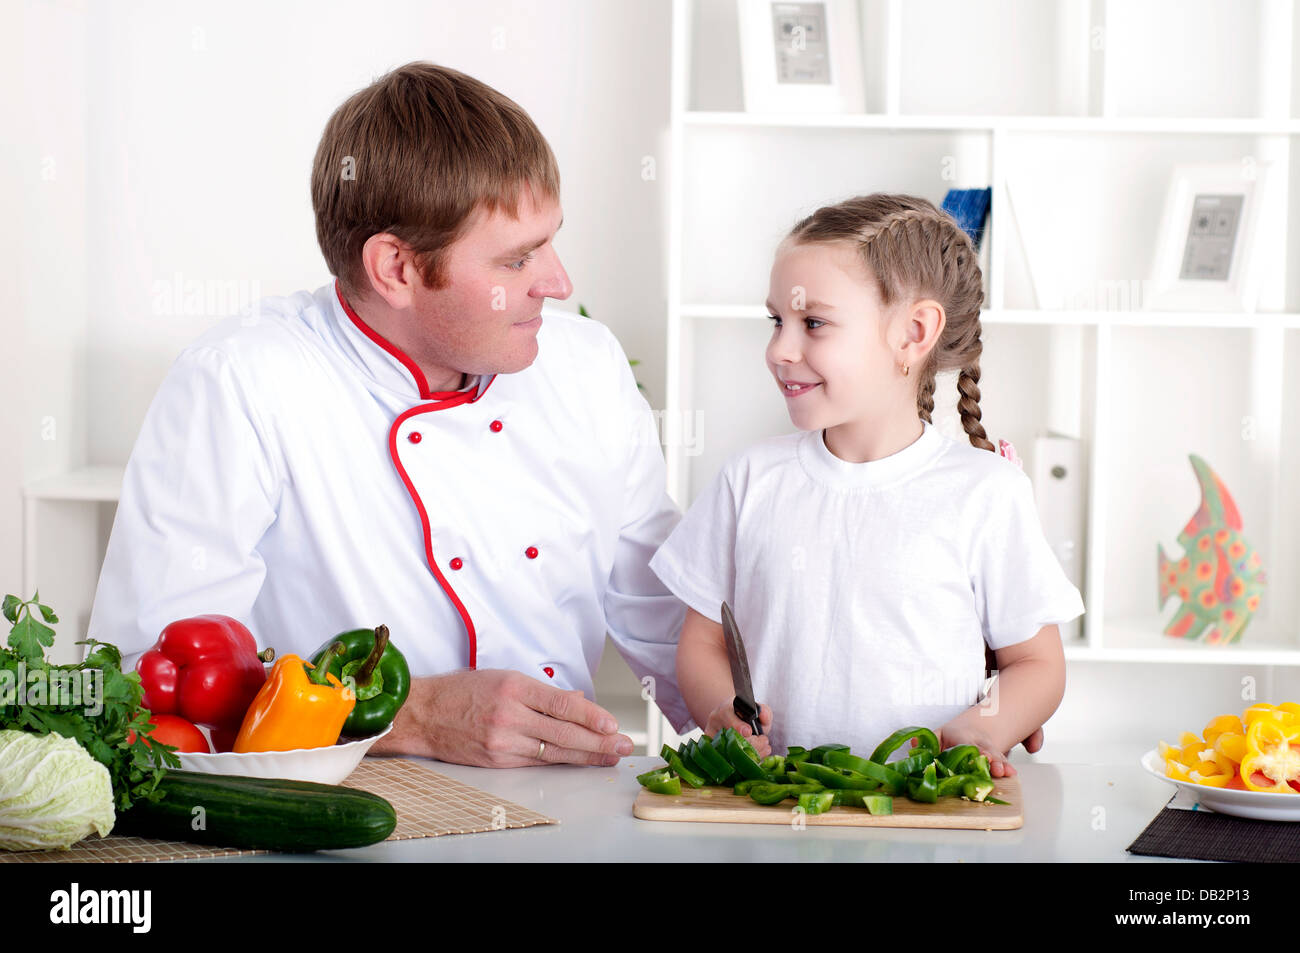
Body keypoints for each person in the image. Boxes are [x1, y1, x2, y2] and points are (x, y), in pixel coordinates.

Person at [87, 62, 691, 767]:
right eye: (516, 260)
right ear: (396, 269)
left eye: (551, 240)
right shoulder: (242, 380)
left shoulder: (586, 364)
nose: (559, 283)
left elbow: (664, 617)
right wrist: (416, 716)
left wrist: (738, 713)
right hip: (349, 800)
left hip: (567, 810)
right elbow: (155, 680)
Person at [649, 193, 1084, 778]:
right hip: (775, 807)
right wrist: (720, 712)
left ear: (913, 332)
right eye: (777, 321)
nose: (780, 349)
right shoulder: (749, 480)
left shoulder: (986, 491)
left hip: (923, 810)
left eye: (814, 323)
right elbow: (701, 644)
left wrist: (983, 729)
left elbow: (1036, 664)